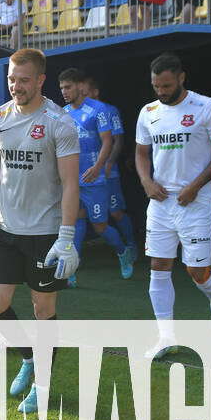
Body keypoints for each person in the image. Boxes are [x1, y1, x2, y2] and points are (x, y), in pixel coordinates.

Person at [0, 48, 81, 414]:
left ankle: (42, 387)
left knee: (42, 311)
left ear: (41, 81)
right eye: (12, 79)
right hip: (7, 230)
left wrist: (66, 237)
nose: (16, 86)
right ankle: (29, 358)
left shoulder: (59, 122)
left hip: (45, 234)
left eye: (24, 80)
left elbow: (70, 183)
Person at [134, 53, 211, 358]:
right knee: (158, 267)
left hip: (196, 201)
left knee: (197, 272)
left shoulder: (207, 107)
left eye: (167, 85)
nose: (161, 91)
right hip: (160, 203)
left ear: (181, 78)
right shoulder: (148, 112)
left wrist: (195, 186)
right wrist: (146, 182)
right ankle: (166, 338)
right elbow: (141, 153)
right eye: (156, 86)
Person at [59, 67, 133, 285]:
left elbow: (108, 141)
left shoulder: (98, 110)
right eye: (62, 87)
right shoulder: (63, 113)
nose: (64, 91)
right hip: (72, 180)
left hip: (94, 179)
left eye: (68, 87)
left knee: (100, 226)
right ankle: (71, 269)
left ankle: (122, 252)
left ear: (81, 87)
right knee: (74, 222)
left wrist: (98, 167)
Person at [85, 75, 136, 257]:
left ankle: (131, 244)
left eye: (86, 91)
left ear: (95, 92)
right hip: (86, 175)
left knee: (115, 212)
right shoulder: (77, 112)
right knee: (81, 216)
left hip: (108, 173)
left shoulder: (109, 110)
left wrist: (109, 164)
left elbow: (117, 140)